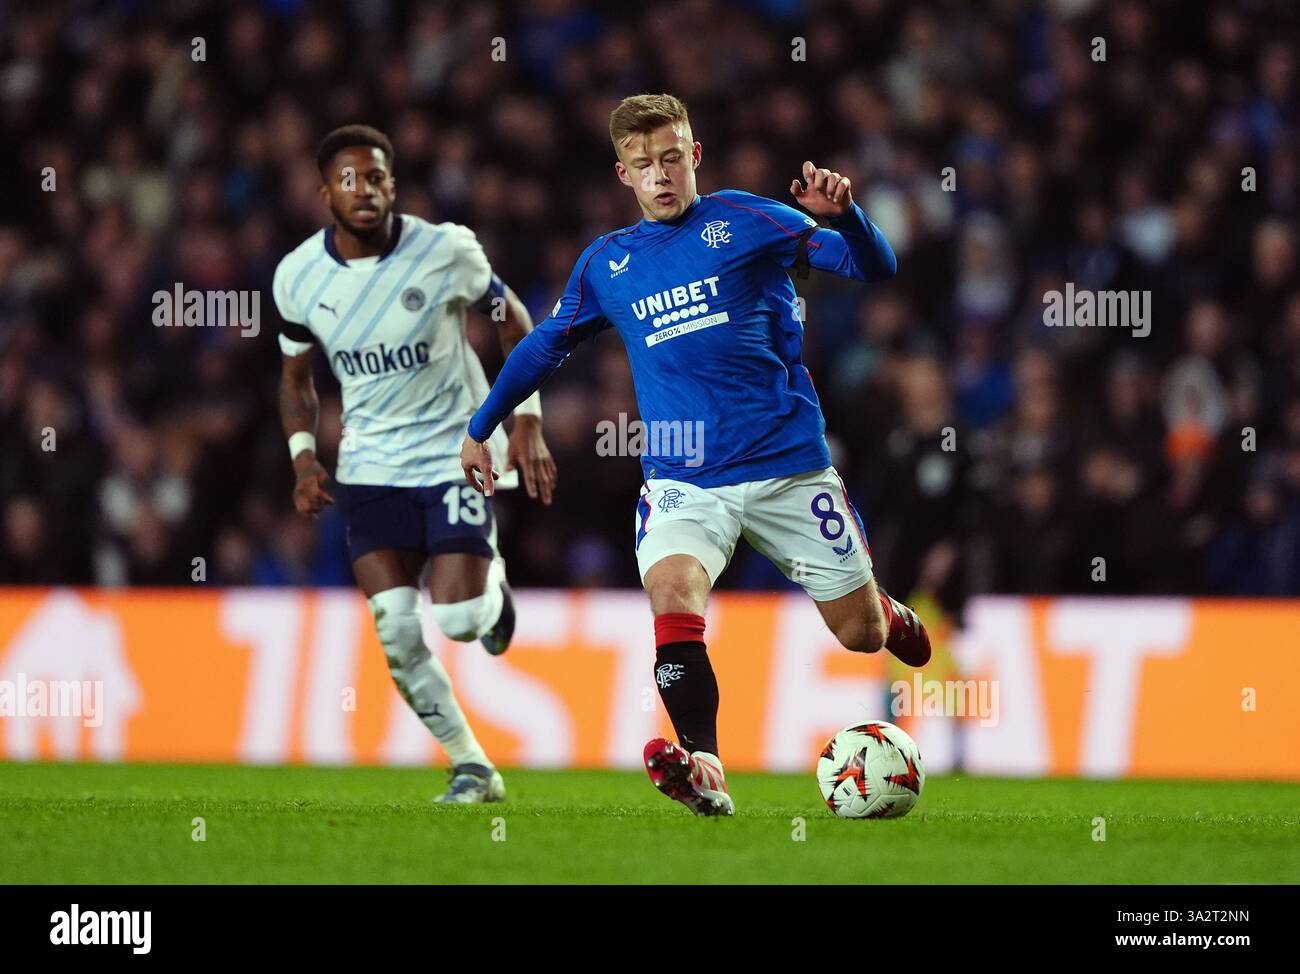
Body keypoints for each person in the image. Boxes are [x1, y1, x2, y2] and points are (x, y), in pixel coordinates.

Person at [460, 95, 929, 816]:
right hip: (685, 481)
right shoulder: (608, 265)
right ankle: (704, 764)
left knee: (859, 636)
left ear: (695, 155)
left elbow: (875, 268)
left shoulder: (747, 219)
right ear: (624, 173)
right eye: (644, 165)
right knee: (672, 596)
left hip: (788, 467)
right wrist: (481, 425)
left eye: (672, 158)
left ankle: (885, 613)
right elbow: (541, 346)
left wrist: (850, 219)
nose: (662, 176)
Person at [275, 125, 556, 804]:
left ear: (392, 186)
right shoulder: (297, 278)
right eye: (349, 179)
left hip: (452, 451)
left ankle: (494, 603)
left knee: (458, 621)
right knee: (397, 633)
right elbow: (295, 379)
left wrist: (526, 420)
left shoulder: (446, 250)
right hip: (370, 467)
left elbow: (512, 317)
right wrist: (305, 459)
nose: (363, 190)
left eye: (375, 177)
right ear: (324, 194)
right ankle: (472, 767)